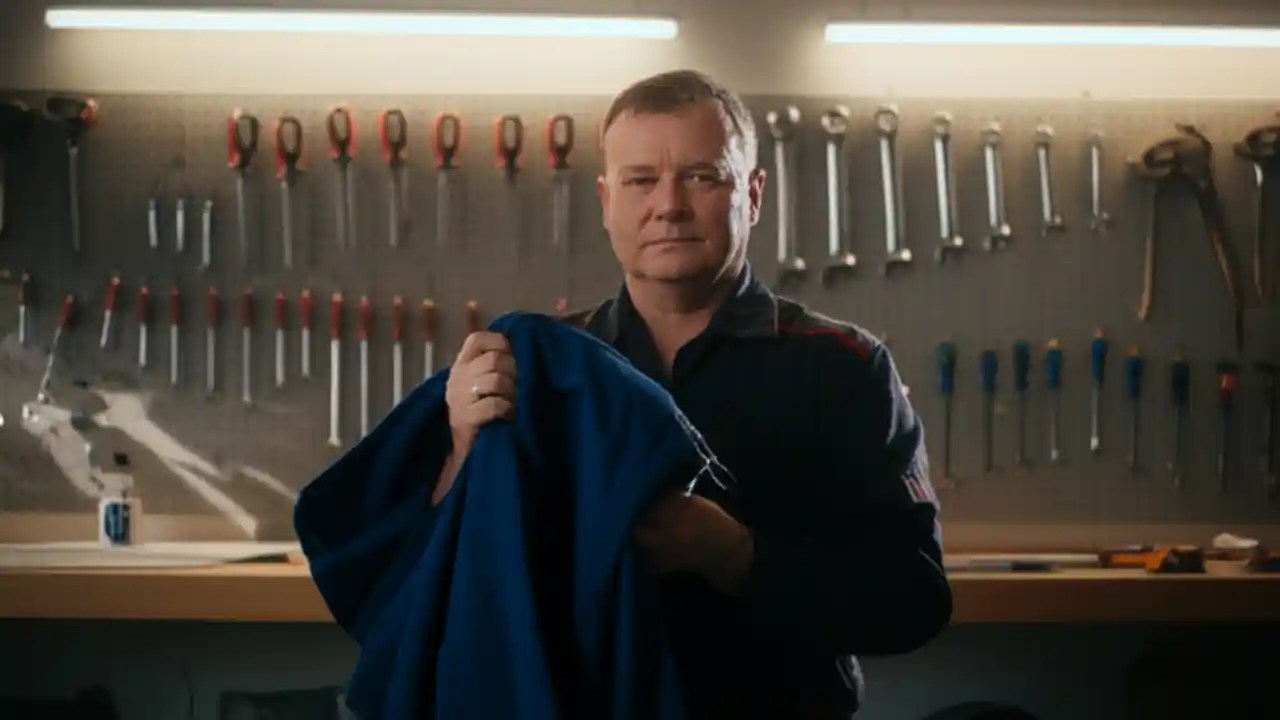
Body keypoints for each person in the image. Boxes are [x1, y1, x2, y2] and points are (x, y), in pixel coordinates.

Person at [433, 69, 951, 719]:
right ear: (606, 200)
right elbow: (449, 578)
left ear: (753, 195)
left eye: (702, 177)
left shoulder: (844, 369)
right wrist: (460, 453)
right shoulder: (542, 368)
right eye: (641, 179)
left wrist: (736, 556)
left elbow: (915, 602)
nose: (669, 205)